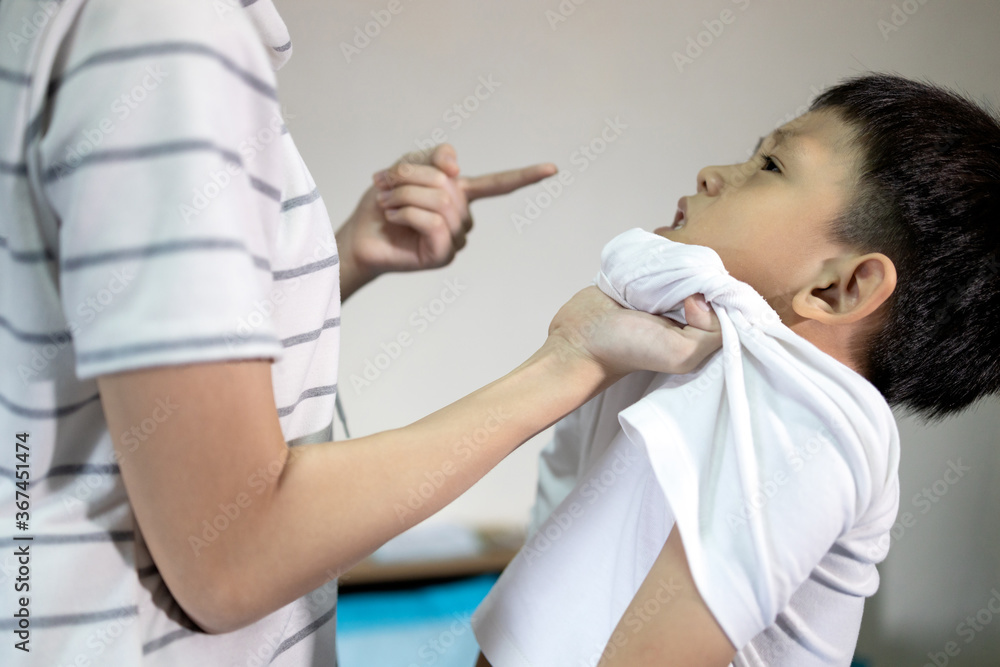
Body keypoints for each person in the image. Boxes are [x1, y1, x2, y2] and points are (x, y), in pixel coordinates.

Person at [0, 0, 724, 664]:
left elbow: (88, 337)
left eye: (770, 161)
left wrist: (328, 261)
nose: (713, 174)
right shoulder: (170, 34)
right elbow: (229, 554)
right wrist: (568, 360)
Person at [472, 73, 1000, 666]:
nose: (711, 174)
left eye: (770, 165)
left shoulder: (823, 414)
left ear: (840, 287)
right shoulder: (677, 354)